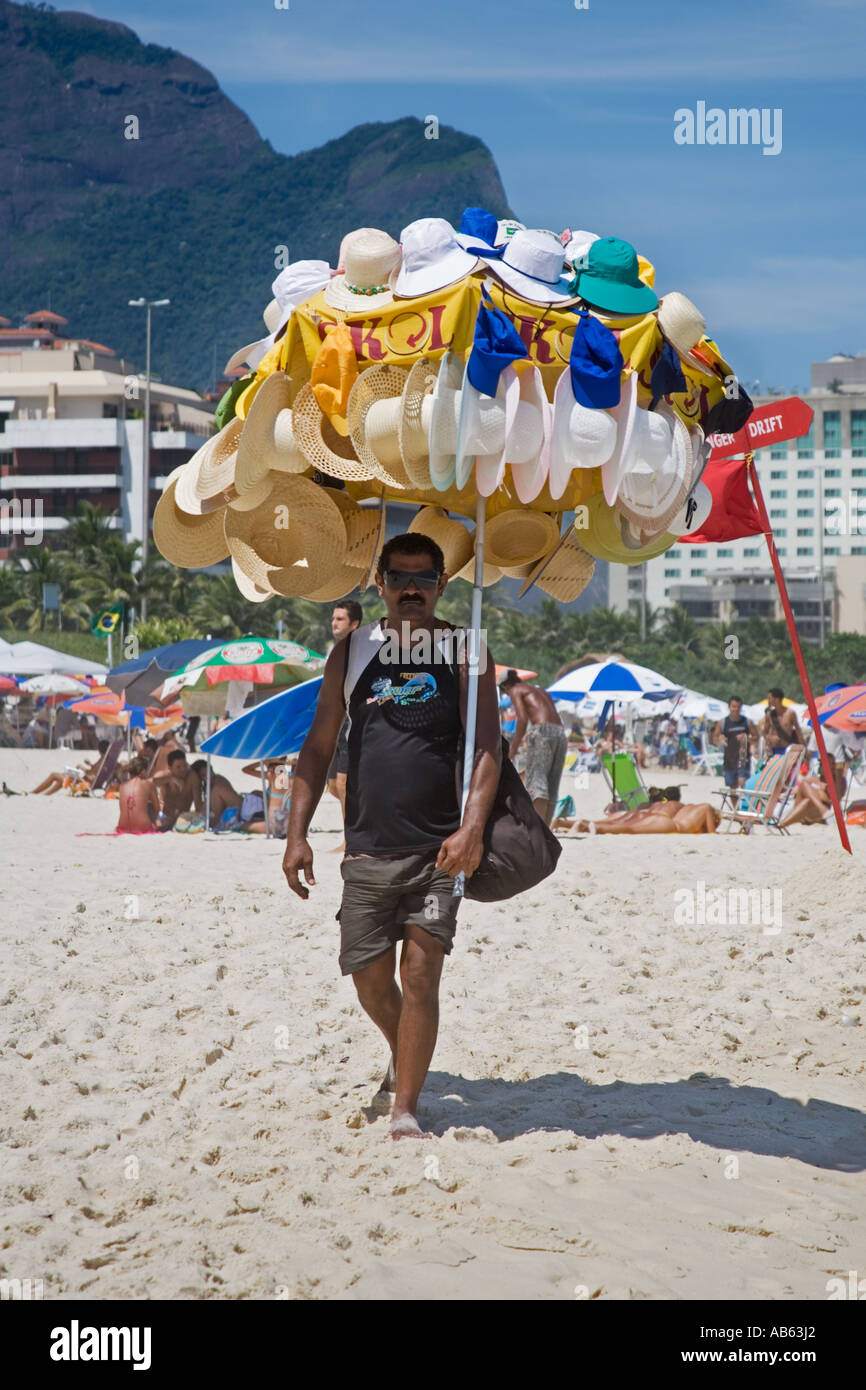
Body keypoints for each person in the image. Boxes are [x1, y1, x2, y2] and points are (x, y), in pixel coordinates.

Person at [282, 531, 500, 1140]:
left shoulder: (465, 651)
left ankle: (406, 1108)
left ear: (442, 585)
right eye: (398, 577)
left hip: (439, 851)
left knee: (422, 972)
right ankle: (403, 1048)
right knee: (371, 980)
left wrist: (473, 828)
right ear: (378, 584)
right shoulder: (351, 652)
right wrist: (296, 834)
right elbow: (319, 745)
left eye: (423, 578)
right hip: (368, 849)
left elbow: (488, 746)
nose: (410, 589)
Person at [499, 668, 567, 825]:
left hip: (542, 731)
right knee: (552, 784)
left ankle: (538, 828)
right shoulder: (540, 691)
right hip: (560, 733)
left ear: (505, 687)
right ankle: (547, 828)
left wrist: (514, 747)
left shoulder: (516, 690)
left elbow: (522, 719)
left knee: (537, 782)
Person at [326, 599, 363, 843]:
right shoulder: (336, 652)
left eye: (340, 619)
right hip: (338, 724)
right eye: (333, 618)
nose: (334, 623)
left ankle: (352, 839)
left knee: (343, 783)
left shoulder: (362, 652)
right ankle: (361, 820)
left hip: (354, 723)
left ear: (354, 624)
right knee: (331, 785)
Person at [556, 797, 721, 835]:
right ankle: (592, 828)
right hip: (671, 825)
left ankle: (564, 824)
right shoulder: (706, 809)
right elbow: (712, 834)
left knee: (624, 825)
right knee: (631, 829)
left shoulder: (687, 807)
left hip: (655, 815)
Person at [712, 695, 758, 792]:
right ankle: (735, 808)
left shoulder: (747, 722)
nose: (736, 709)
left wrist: (746, 738)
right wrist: (719, 739)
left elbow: (756, 738)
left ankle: (743, 806)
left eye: (738, 707)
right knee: (732, 788)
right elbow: (714, 739)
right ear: (729, 707)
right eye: (733, 706)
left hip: (743, 758)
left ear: (741, 707)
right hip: (729, 759)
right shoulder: (723, 722)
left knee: (743, 784)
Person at [153, 748, 202, 830]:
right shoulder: (165, 775)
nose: (183, 769)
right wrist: (170, 779)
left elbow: (198, 805)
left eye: (184, 766)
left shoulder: (191, 778)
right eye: (178, 767)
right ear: (170, 768)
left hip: (182, 817)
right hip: (164, 816)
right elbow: (151, 782)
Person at [190, 759, 243, 828]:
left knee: (216, 791)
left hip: (243, 809)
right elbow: (201, 808)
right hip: (238, 810)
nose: (208, 777)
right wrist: (196, 786)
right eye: (204, 775)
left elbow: (208, 810)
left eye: (209, 772)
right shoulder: (211, 786)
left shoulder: (218, 782)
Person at [115, 756, 161, 833]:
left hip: (122, 827)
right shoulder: (148, 784)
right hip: (143, 828)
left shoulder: (122, 785)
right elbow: (157, 809)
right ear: (143, 771)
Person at [761, 688, 804, 758]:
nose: (768, 701)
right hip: (774, 750)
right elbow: (764, 732)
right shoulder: (770, 714)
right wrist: (770, 738)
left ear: (777, 699)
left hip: (787, 749)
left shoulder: (790, 713)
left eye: (769, 698)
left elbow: (798, 731)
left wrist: (803, 746)